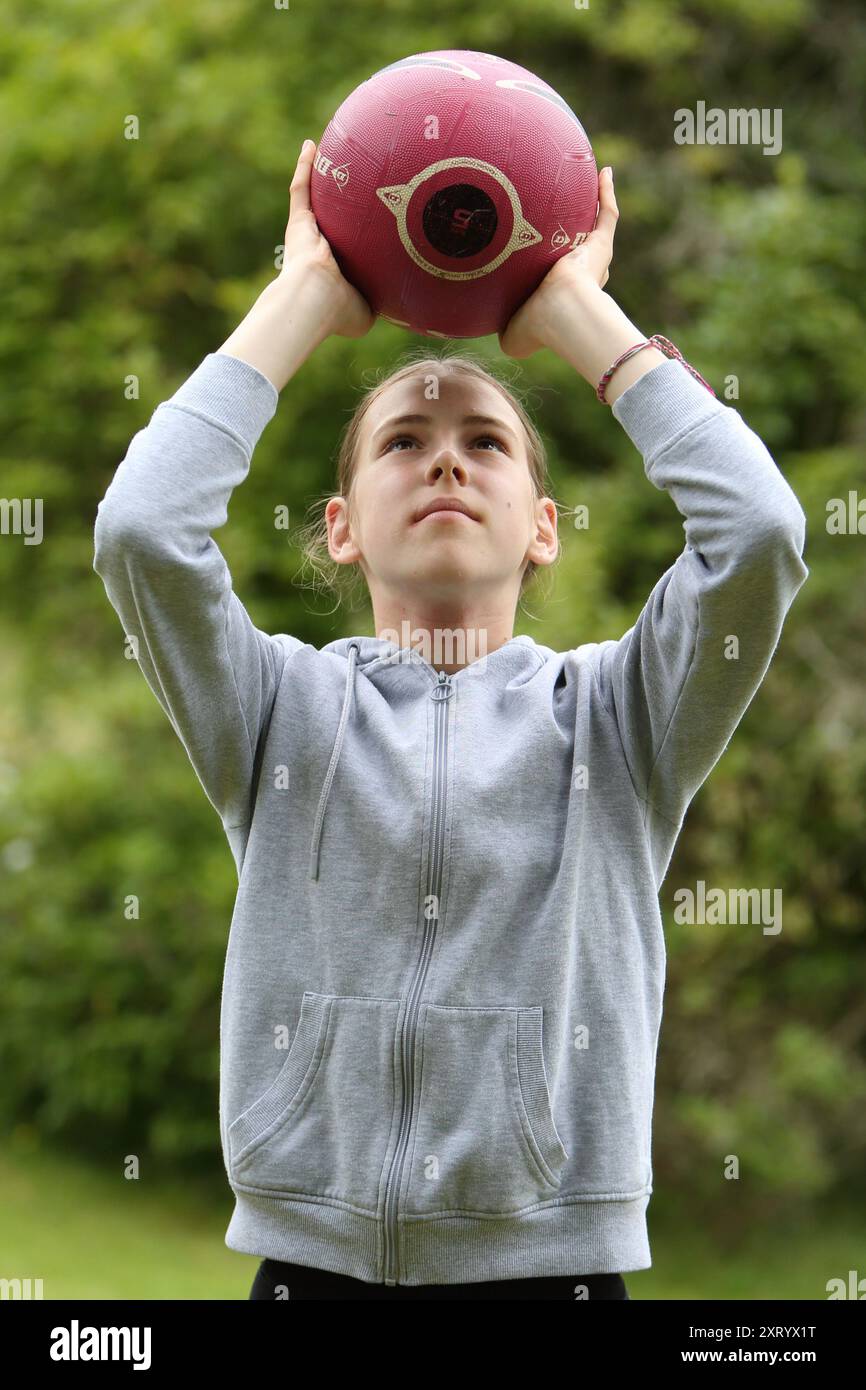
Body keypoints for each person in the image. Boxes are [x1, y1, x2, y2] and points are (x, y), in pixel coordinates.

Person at [93, 140, 808, 1300]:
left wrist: (584, 322)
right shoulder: (275, 710)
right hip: (309, 1265)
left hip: (555, 1270)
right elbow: (140, 530)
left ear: (542, 525)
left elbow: (761, 535)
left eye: (485, 443)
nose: (446, 465)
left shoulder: (621, 720)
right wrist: (300, 301)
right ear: (339, 524)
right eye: (403, 442)